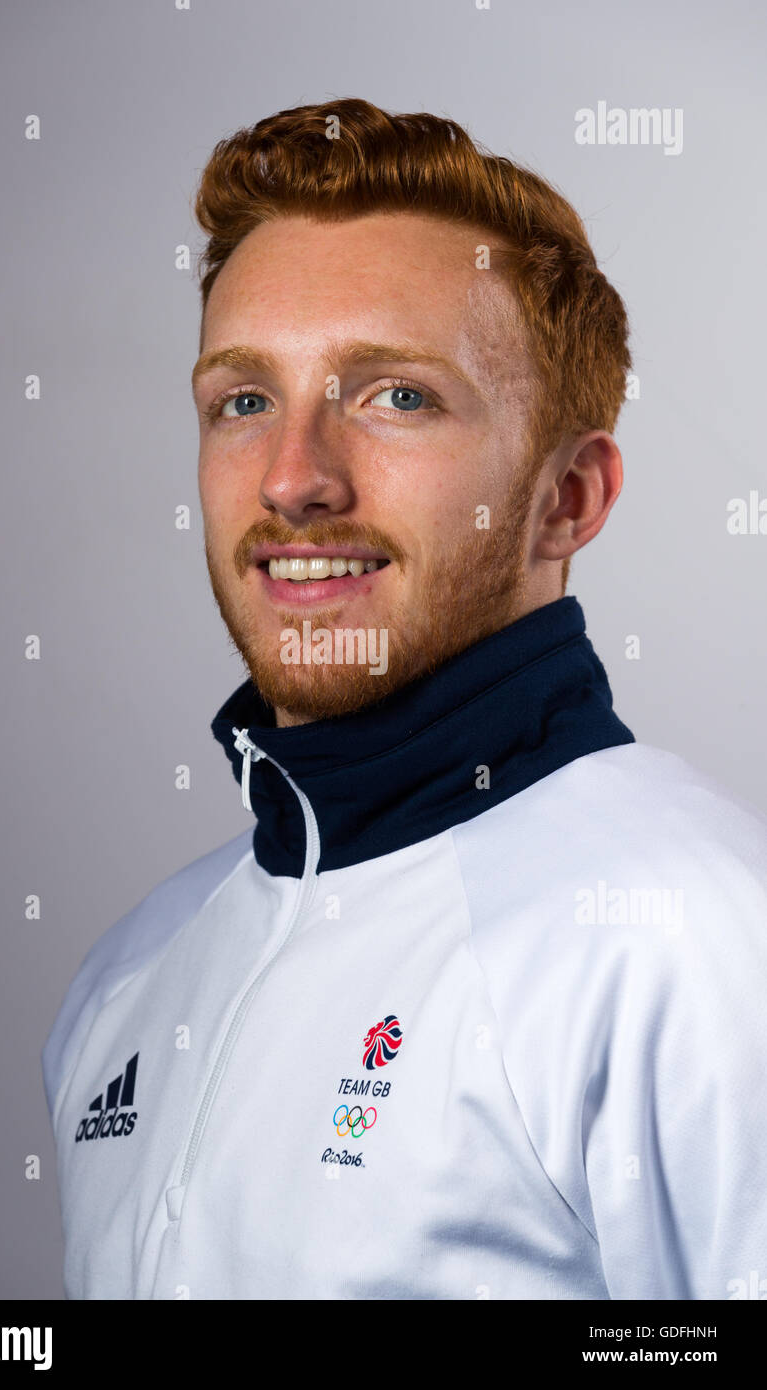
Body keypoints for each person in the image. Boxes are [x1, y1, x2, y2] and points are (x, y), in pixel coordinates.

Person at [42, 98, 767, 1300]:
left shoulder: (687, 949)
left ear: (567, 500)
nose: (293, 478)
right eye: (243, 399)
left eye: (396, 397)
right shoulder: (127, 975)